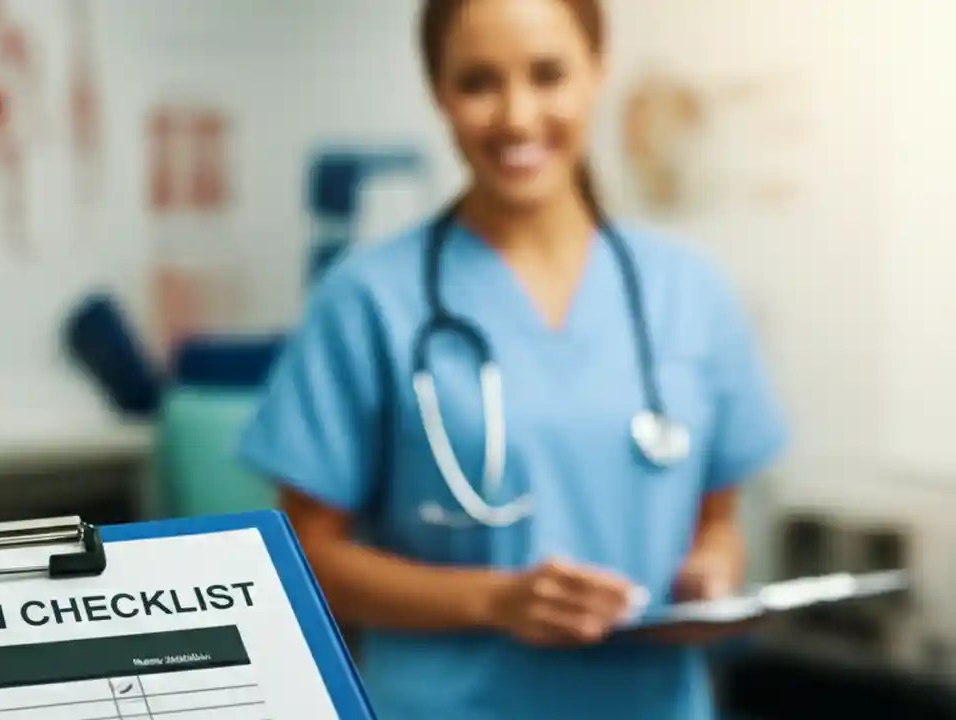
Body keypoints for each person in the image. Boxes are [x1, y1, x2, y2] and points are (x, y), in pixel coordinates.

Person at [237, 0, 789, 718]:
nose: (517, 118)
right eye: (478, 83)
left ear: (598, 72)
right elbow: (305, 556)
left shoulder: (690, 291)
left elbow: (718, 519)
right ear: (438, 93)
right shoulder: (367, 299)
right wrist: (495, 600)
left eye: (549, 75)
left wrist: (711, 578)